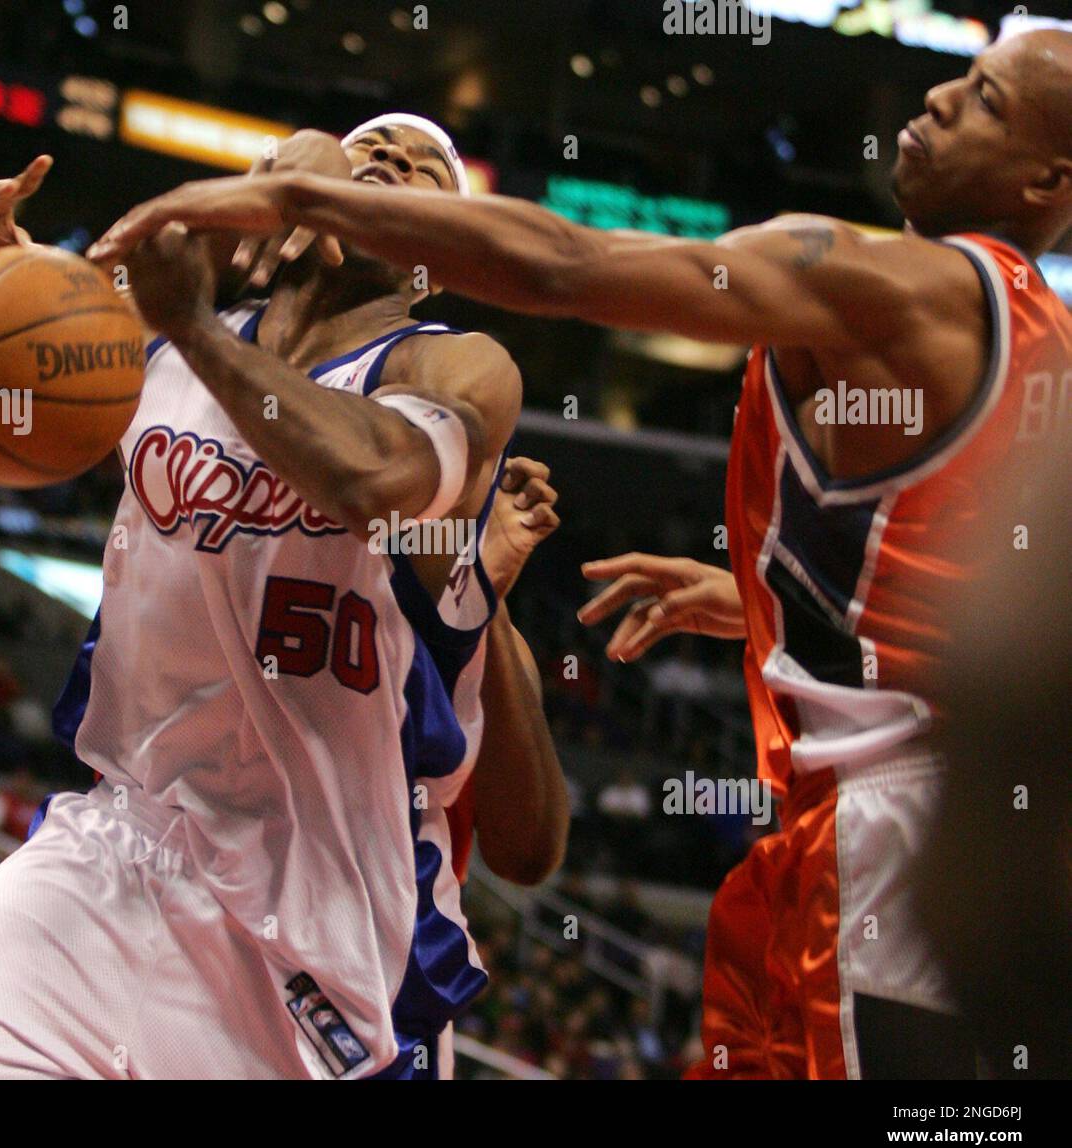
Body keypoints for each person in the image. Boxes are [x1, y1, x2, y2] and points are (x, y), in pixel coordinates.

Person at [95, 29, 1072, 1078]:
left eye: (980, 99)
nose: (934, 96)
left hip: (885, 837)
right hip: (937, 827)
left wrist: (302, 197)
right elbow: (1009, 604)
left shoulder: (888, 280)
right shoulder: (1050, 340)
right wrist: (768, 606)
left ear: (1045, 178)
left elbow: (565, 264)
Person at [0, 116, 566, 1079]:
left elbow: (370, 478)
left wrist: (197, 328)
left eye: (420, 173)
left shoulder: (449, 367)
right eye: (365, 149)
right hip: (113, 849)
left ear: (436, 262)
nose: (382, 162)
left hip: (310, 932)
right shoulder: (152, 336)